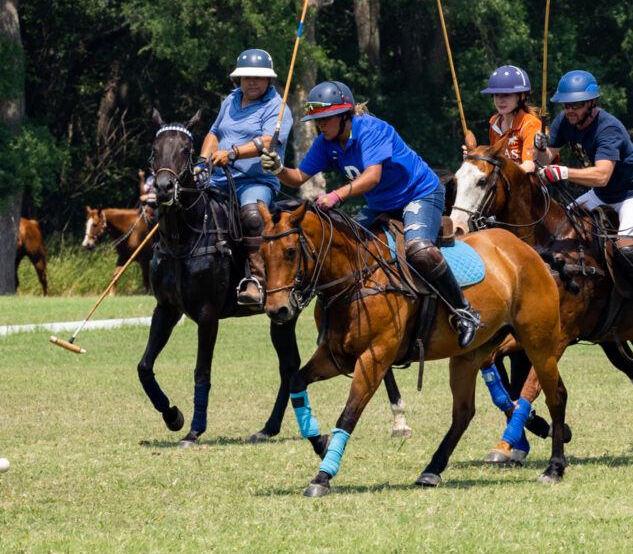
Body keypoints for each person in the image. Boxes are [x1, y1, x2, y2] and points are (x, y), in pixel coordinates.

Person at [265, 80, 483, 348]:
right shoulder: (325, 143)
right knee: (346, 248)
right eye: (316, 119)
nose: (320, 124)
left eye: (326, 118)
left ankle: (464, 312)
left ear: (345, 116)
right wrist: (277, 168)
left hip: (420, 194)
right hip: (382, 204)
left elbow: (372, 176)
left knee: (419, 250)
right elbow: (297, 177)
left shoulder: (372, 130)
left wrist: (337, 194)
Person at [538, 70, 633, 338]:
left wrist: (564, 172)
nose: (569, 110)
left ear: (591, 103)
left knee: (626, 249)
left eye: (576, 104)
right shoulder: (563, 121)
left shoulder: (608, 127)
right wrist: (539, 149)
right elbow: (546, 159)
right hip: (603, 195)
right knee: (558, 232)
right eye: (565, 104)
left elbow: (602, 175)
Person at [198, 48, 287, 307]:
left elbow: (270, 140)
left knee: (251, 215)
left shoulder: (276, 106)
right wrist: (202, 163)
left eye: (258, 77)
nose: (251, 82)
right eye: (246, 77)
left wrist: (233, 153)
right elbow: (214, 133)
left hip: (255, 181)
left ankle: (256, 281)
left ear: (269, 79)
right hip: (218, 180)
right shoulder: (231, 100)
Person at [476, 65, 543, 173]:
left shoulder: (531, 124)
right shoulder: (494, 122)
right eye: (496, 95)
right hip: (505, 185)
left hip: (530, 184)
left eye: (506, 95)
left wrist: (504, 176)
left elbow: (529, 166)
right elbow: (494, 160)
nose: (500, 100)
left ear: (521, 96)